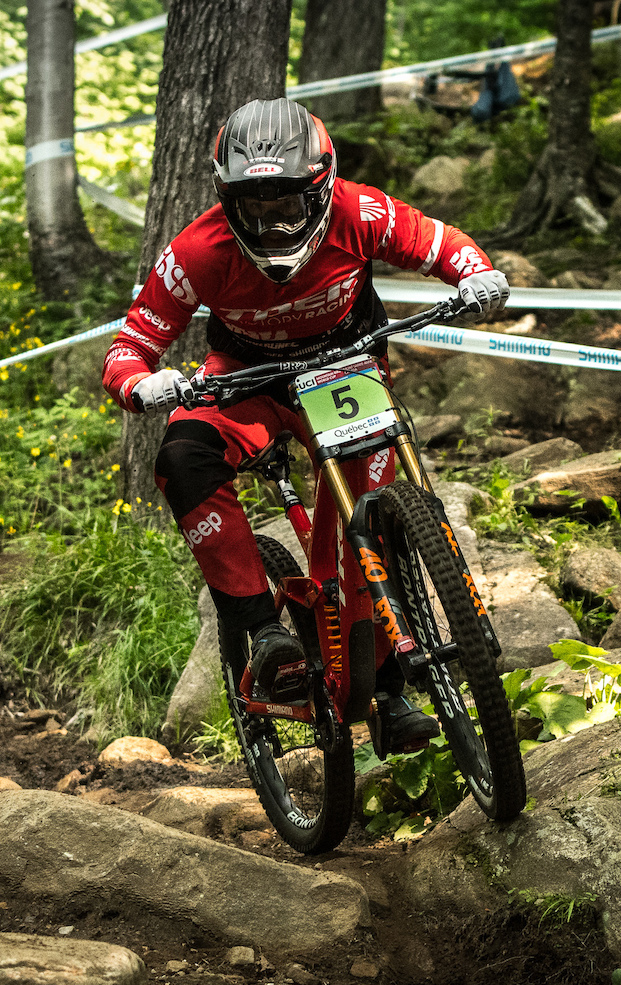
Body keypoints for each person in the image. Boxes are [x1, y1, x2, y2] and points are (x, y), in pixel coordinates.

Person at [101, 98, 510, 752]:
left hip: (347, 368)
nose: (271, 226)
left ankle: (385, 691)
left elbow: (439, 243)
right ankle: (263, 634)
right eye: (253, 211)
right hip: (248, 379)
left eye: (288, 207)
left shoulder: (358, 210)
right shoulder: (197, 250)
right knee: (183, 456)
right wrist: (142, 382)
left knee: (366, 527)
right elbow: (131, 346)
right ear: (225, 201)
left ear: (321, 191)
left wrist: (477, 273)